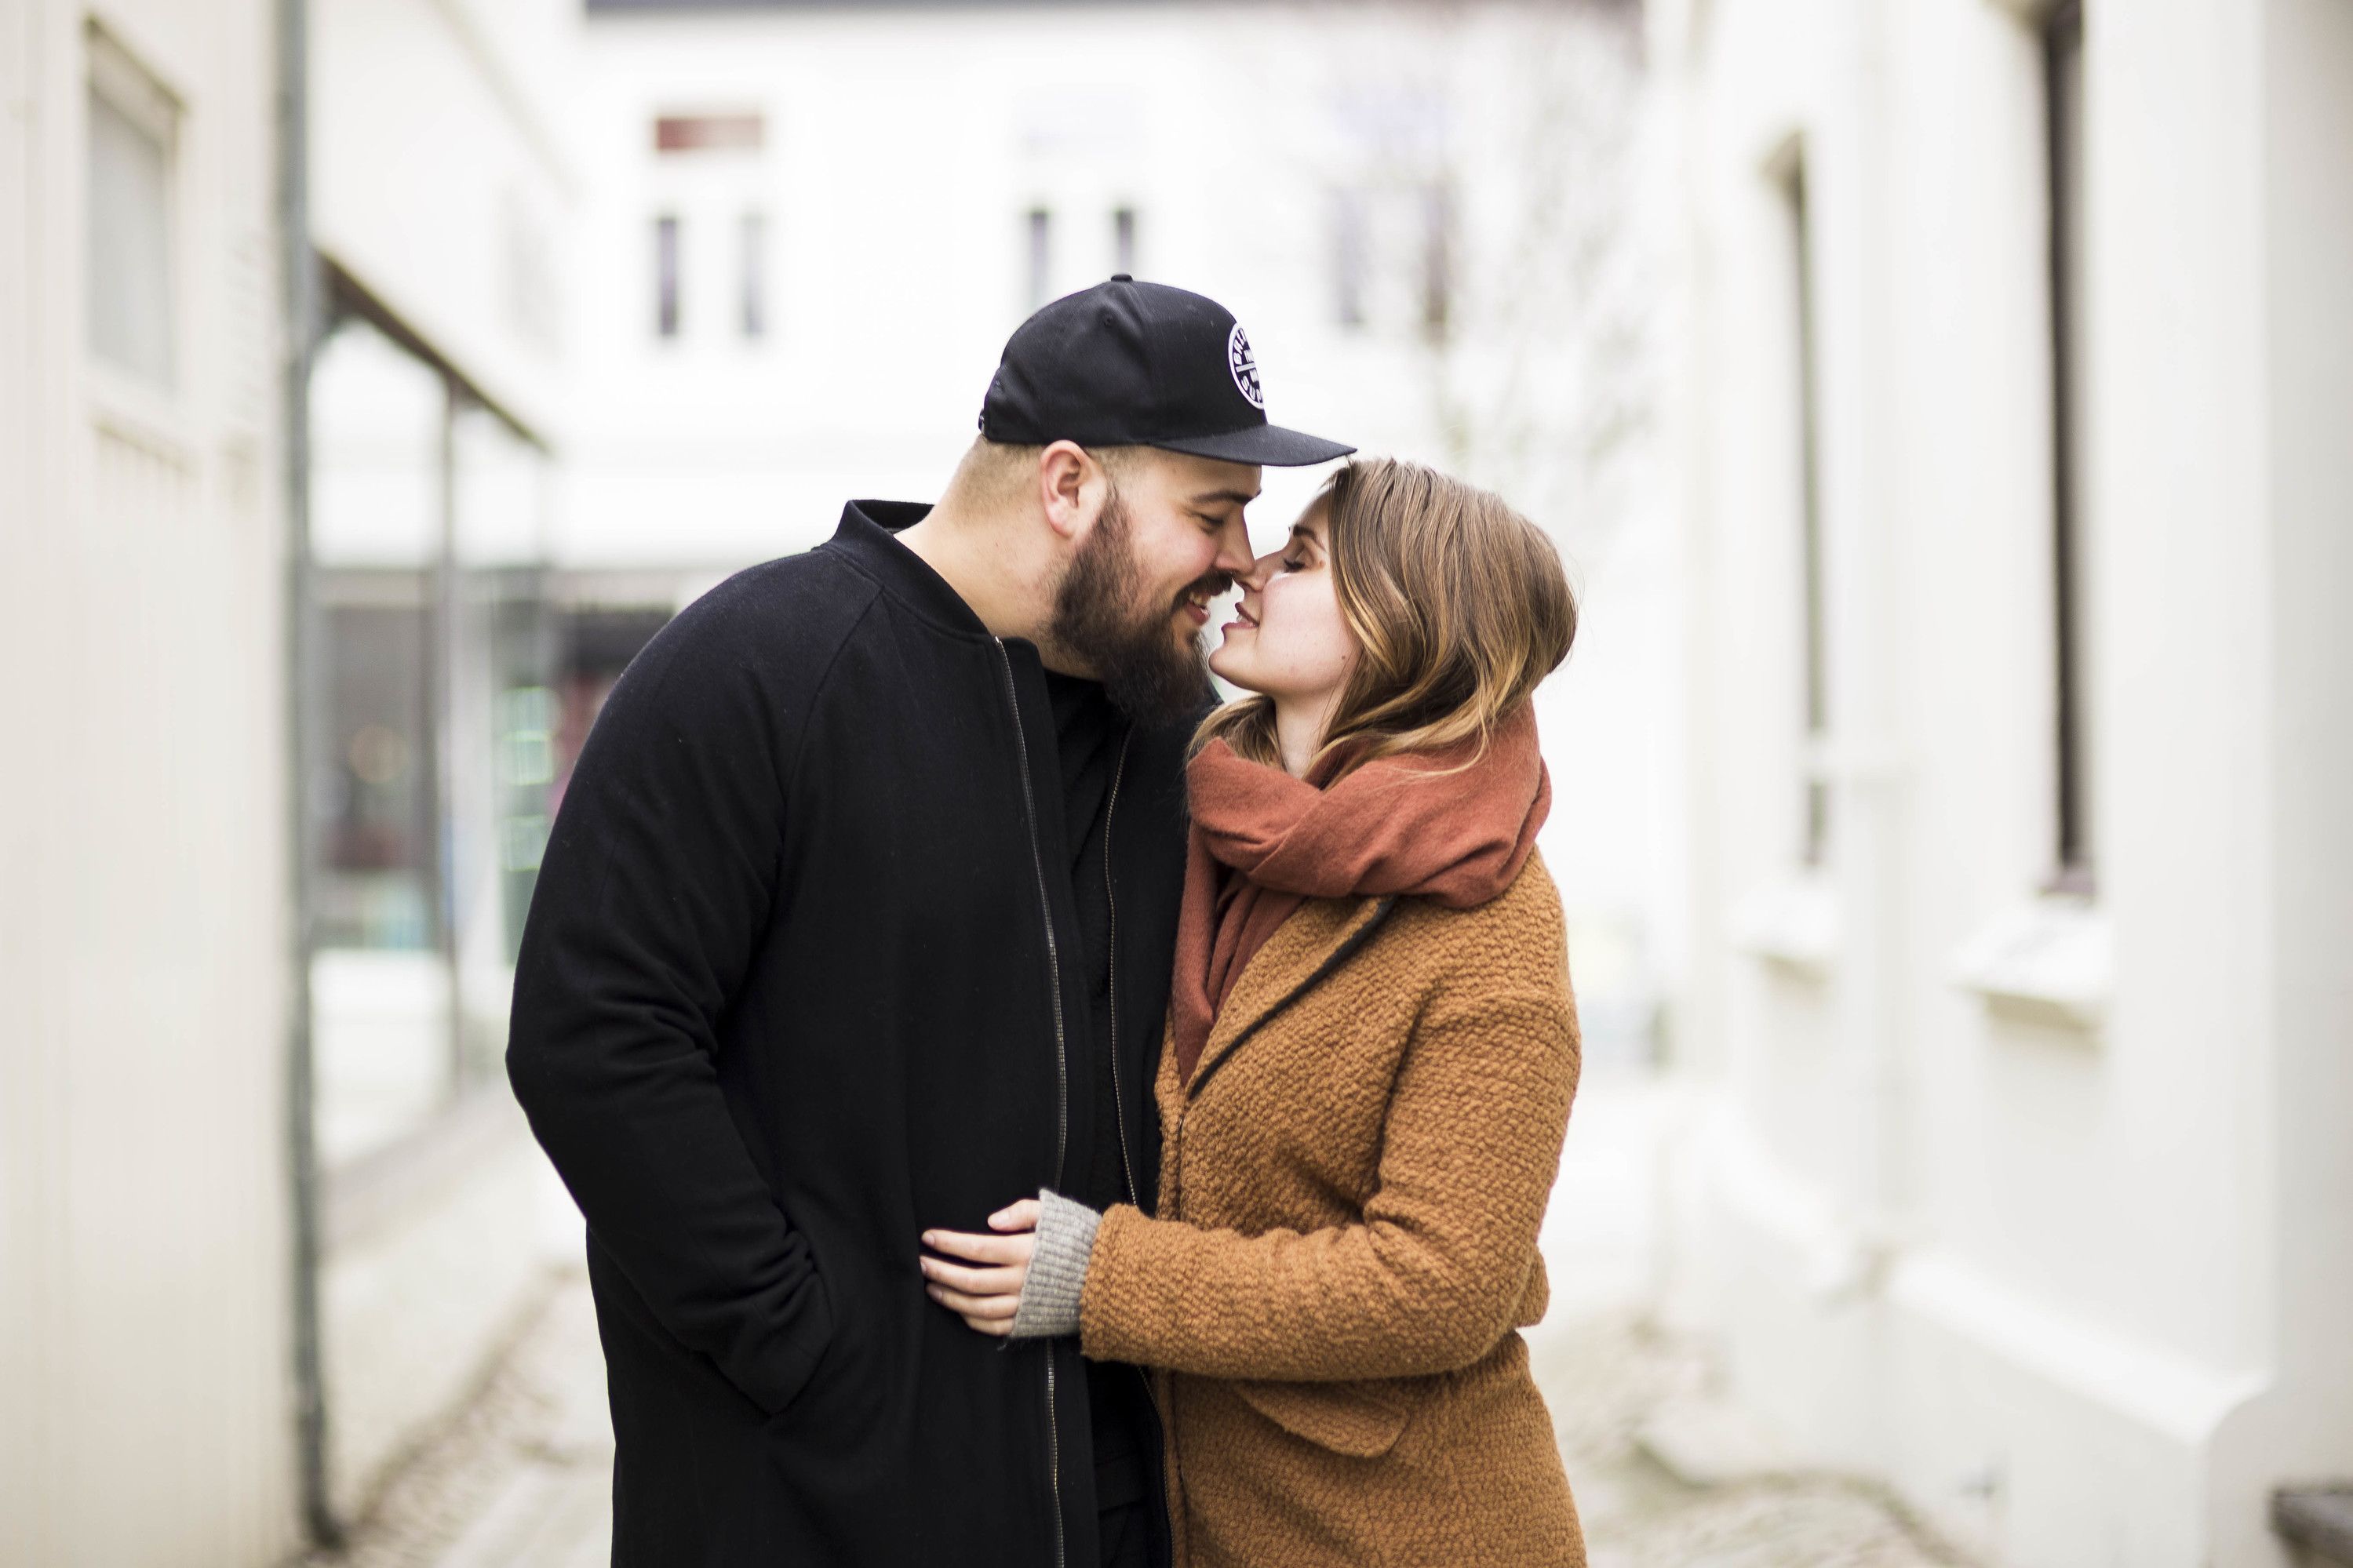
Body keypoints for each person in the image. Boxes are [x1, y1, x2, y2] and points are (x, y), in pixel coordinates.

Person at [506, 277, 1353, 1566]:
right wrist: (806, 1348)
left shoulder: (1173, 734)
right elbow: (591, 1036)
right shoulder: (758, 668)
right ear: (1068, 486)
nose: (1241, 559)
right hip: (802, 1504)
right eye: (1213, 512)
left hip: (1109, 1511)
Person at [921, 456, 1588, 1567]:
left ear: (1403, 620)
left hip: (1412, 1534)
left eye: (1303, 556)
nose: (1249, 566)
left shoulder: (1493, 916)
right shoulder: (1196, 814)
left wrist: (1106, 1278)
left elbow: (1440, 1287)